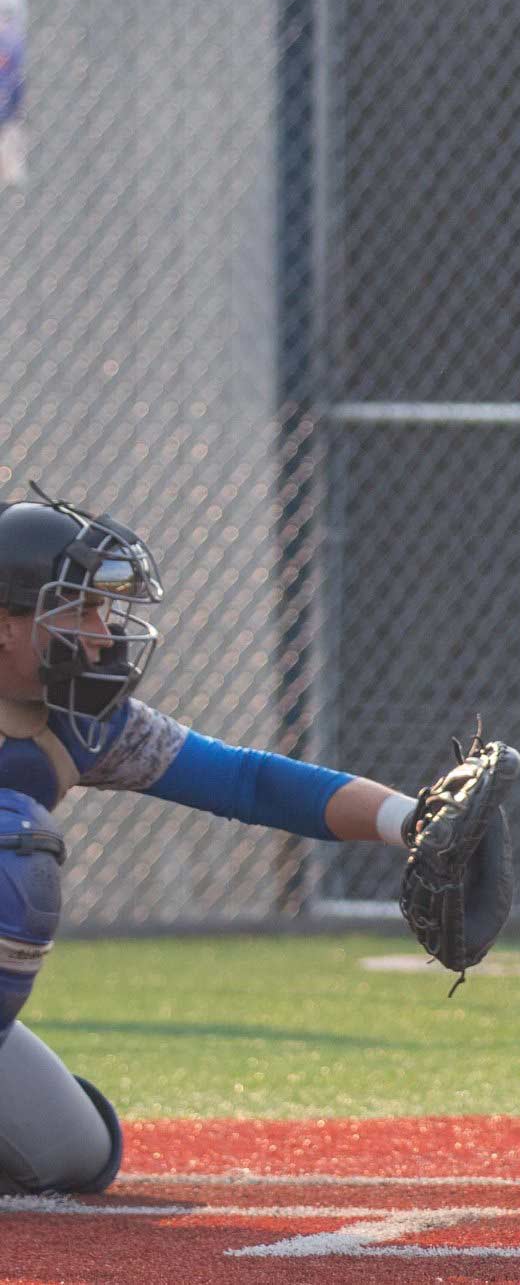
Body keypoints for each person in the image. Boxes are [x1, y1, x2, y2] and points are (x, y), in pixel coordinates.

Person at [0, 490, 476, 1193]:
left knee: (74, 1153)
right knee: (17, 838)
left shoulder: (83, 720)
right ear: (6, 625)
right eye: (80, 609)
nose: (101, 634)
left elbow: (247, 781)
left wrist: (413, 821)